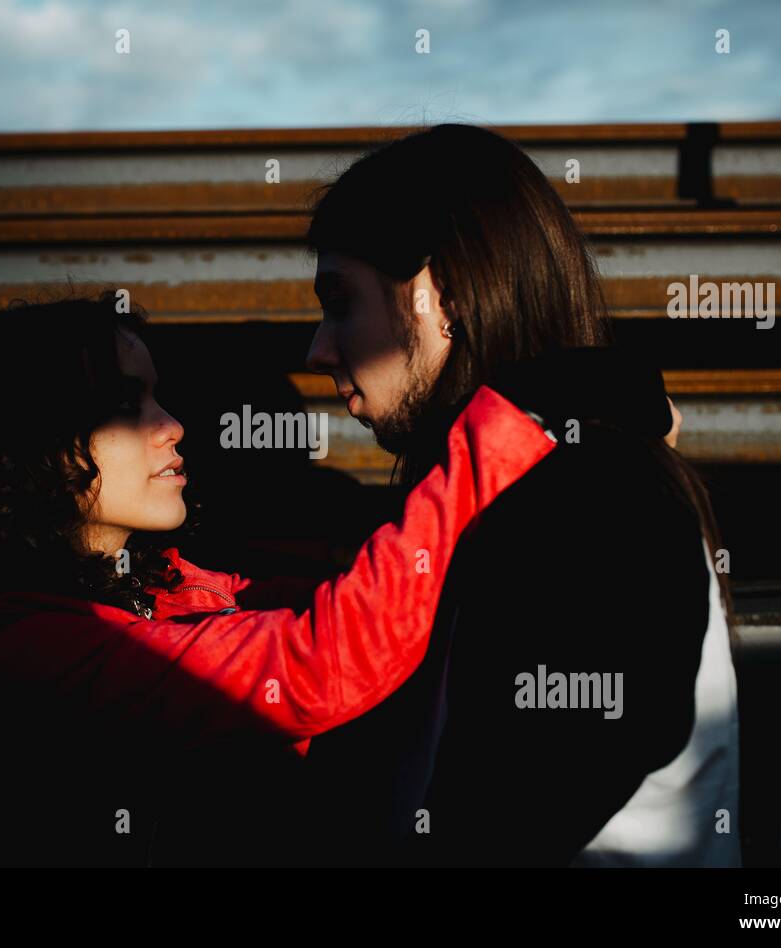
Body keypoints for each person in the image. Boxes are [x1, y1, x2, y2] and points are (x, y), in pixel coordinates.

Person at [0, 290, 556, 865]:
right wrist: (511, 426)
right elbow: (316, 663)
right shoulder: (20, 645)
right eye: (128, 402)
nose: (172, 425)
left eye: (159, 397)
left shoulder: (172, 590)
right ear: (35, 443)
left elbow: (356, 595)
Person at [300, 123, 739, 866]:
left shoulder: (592, 499)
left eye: (340, 301)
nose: (316, 349)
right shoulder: (516, 487)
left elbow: (512, 817)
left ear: (438, 293)